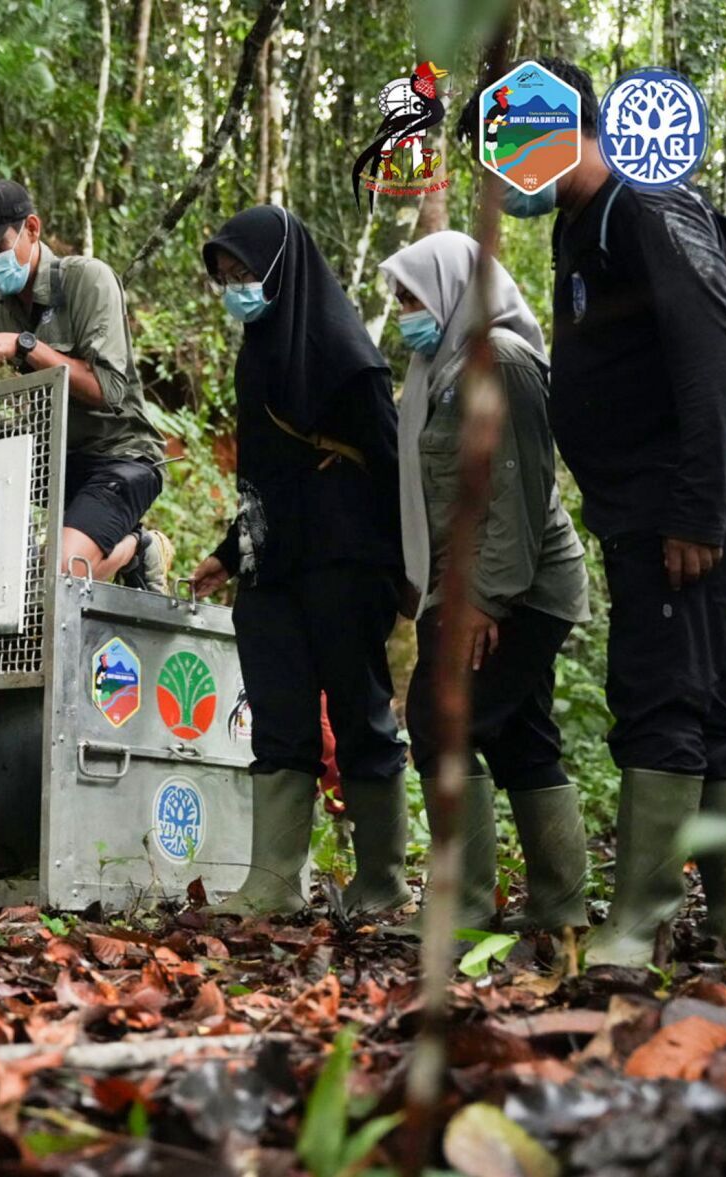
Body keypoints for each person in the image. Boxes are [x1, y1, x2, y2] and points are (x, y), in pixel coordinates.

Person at [458, 58, 726, 964]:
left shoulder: (648, 204)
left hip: (696, 495)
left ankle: (636, 925)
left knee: (658, 691)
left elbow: (715, 359)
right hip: (648, 500)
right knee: (700, 692)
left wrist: (696, 509)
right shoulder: (584, 224)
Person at [190, 206, 410, 919]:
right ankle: (274, 881)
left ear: (284, 270)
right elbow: (268, 475)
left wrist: (412, 573)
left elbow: (393, 468)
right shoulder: (256, 352)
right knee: (279, 717)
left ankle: (380, 878)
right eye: (224, 277)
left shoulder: (349, 360)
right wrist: (228, 554)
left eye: (244, 273)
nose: (234, 288)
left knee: (359, 716)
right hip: (271, 567)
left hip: (346, 564)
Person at [378, 230, 591, 932]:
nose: (405, 309)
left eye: (413, 294)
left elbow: (517, 493)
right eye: (399, 297)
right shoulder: (436, 368)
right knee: (519, 735)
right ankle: (560, 909)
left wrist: (482, 600)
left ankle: (461, 909)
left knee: (438, 724)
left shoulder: (499, 361)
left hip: (518, 583)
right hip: (471, 580)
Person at [0, 179, 171, 590]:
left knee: (58, 574)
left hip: (120, 458)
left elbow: (109, 389)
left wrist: (26, 345)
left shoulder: (88, 280)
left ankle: (140, 545)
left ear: (31, 228)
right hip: (50, 461)